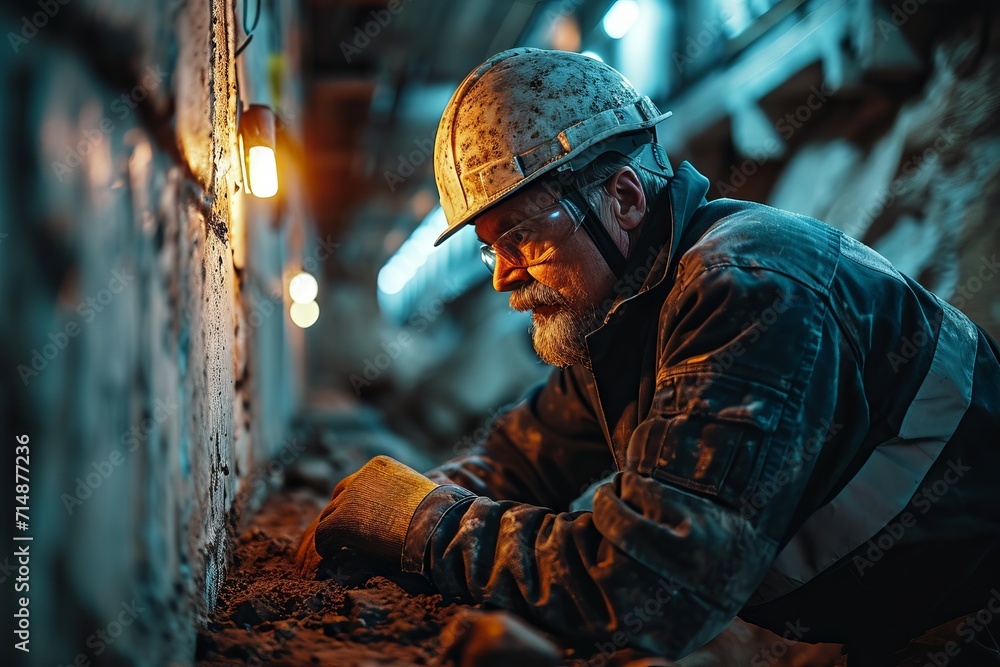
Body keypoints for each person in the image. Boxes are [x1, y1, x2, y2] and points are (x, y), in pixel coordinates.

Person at [297, 48, 1000, 665]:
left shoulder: (747, 288)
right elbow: (525, 456)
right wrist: (403, 505)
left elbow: (652, 583)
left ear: (625, 199)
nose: (501, 274)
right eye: (490, 246)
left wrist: (424, 522)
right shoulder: (632, 308)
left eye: (519, 237)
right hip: (890, 619)